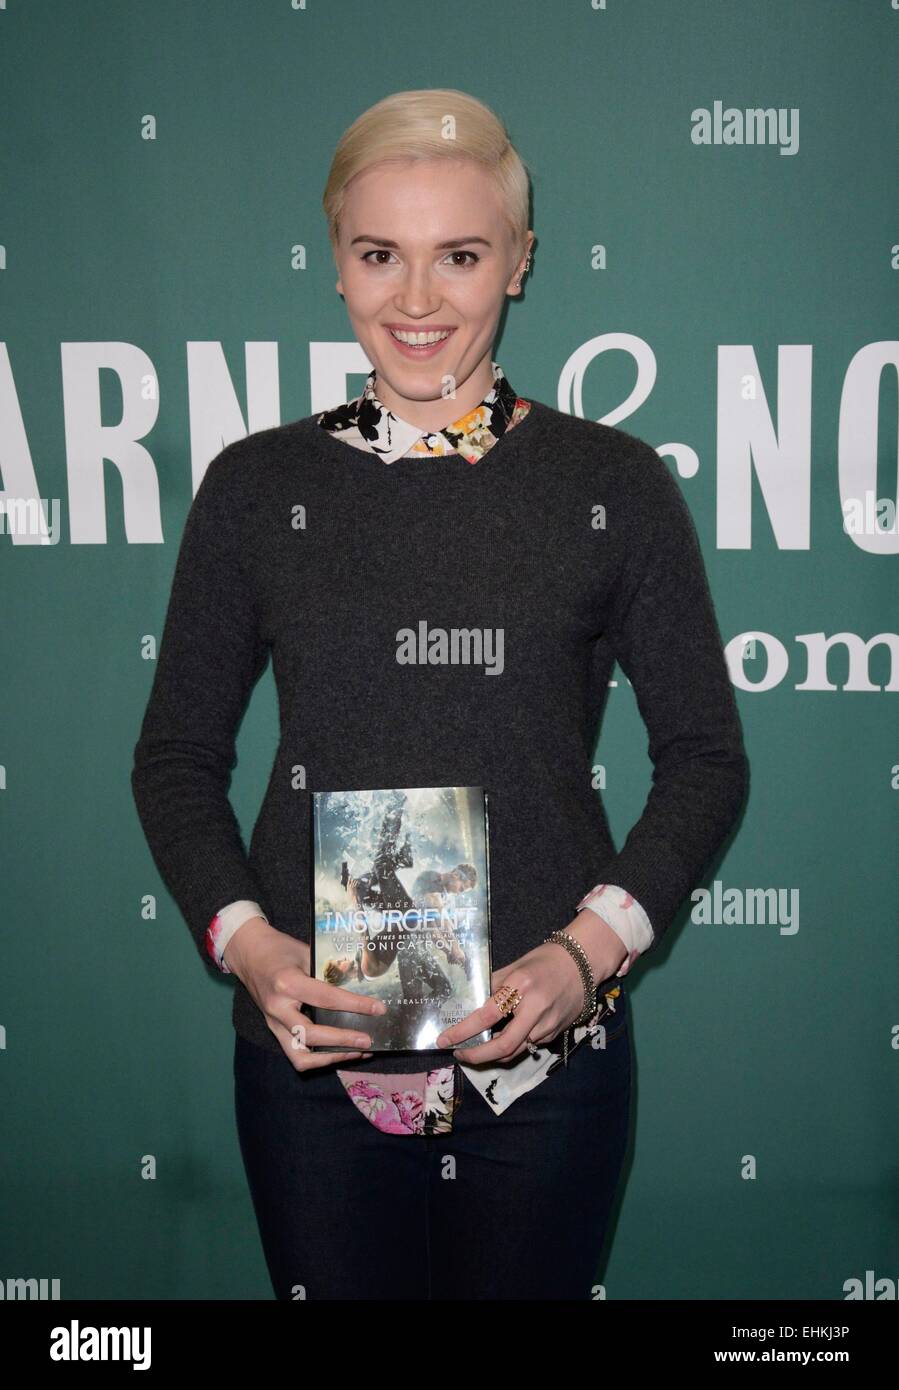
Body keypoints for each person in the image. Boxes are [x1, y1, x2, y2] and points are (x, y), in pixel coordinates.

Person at [131, 87, 749, 1300]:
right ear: (337, 267)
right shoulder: (255, 489)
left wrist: (589, 953)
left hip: (546, 1072)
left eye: (457, 256)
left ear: (517, 261)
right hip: (315, 1065)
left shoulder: (612, 484)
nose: (415, 301)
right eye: (380, 256)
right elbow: (174, 761)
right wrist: (247, 946)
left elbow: (704, 758)